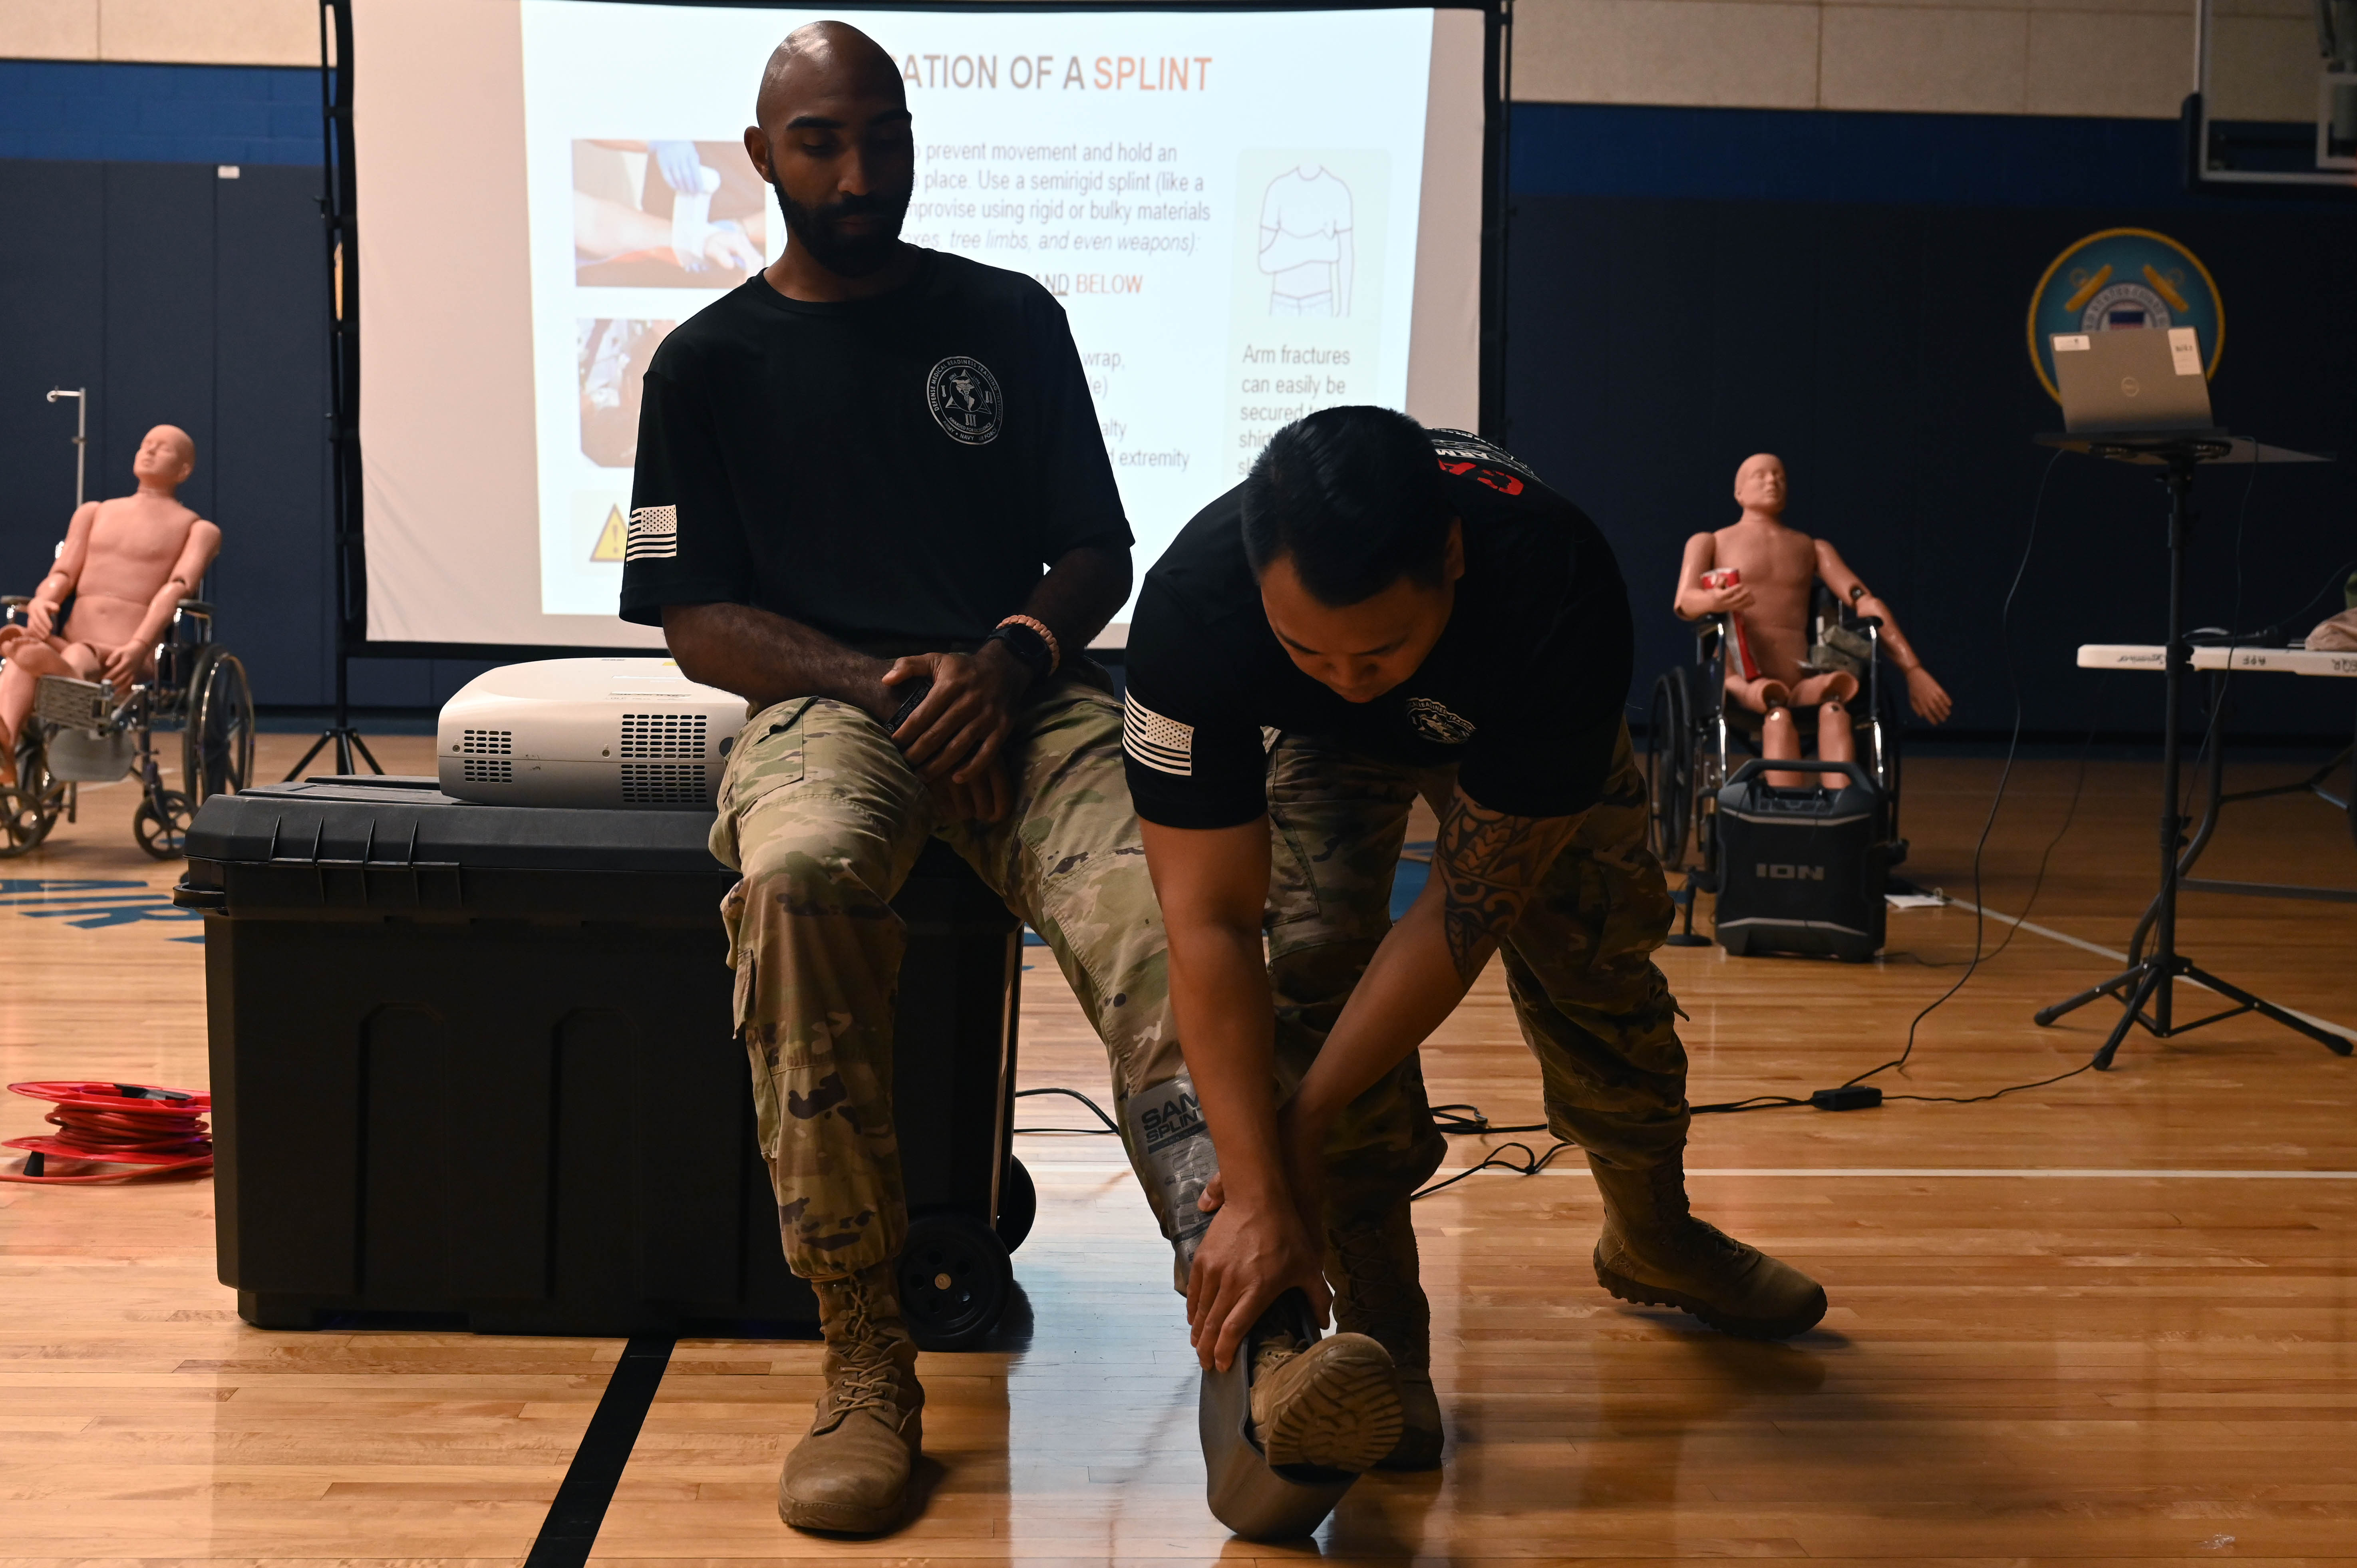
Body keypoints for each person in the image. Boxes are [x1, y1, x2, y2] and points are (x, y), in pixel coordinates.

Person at [619, 22, 1390, 1538]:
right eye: (824, 141)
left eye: (883, 136)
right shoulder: (706, 363)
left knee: (1169, 927)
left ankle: (1266, 1323)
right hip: (833, 713)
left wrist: (1011, 654)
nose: (859, 171)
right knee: (793, 878)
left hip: (1029, 701)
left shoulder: (1011, 317)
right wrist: (882, 679)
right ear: (764, 153)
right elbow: (696, 621)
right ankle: (865, 1353)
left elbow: (1095, 549)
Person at [1123, 407, 1830, 1470]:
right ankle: (1379, 1320)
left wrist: (1301, 1126)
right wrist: (1257, 1176)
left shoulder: (1554, 582)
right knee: (1317, 958)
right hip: (1323, 755)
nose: (1350, 676)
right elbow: (1209, 924)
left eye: (1380, 648)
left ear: (1448, 561)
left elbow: (1465, 910)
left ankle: (1653, 1232)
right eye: (1305, 645)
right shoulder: (1193, 614)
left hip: (1513, 707)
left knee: (1591, 950)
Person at [1674, 453, 1950, 787]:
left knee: (1835, 713)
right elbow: (1685, 601)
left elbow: (1867, 603)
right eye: (1759, 475)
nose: (1772, 481)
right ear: (1738, 492)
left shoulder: (1811, 548)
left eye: (1779, 476)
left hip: (1801, 675)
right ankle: (1782, 813)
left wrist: (1913, 668)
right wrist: (1713, 599)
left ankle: (1843, 808)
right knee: (1777, 717)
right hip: (1742, 678)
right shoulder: (1712, 542)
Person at [1, 425, 220, 786]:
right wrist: (43, 600)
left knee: (63, 655)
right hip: (74, 641)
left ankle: (58, 673)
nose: (148, 451)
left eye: (162, 448)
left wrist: (139, 646)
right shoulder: (94, 513)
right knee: (19, 658)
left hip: (124, 656)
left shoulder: (197, 528)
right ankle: (6, 739)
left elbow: (176, 589)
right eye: (145, 443)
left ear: (184, 470)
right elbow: (63, 572)